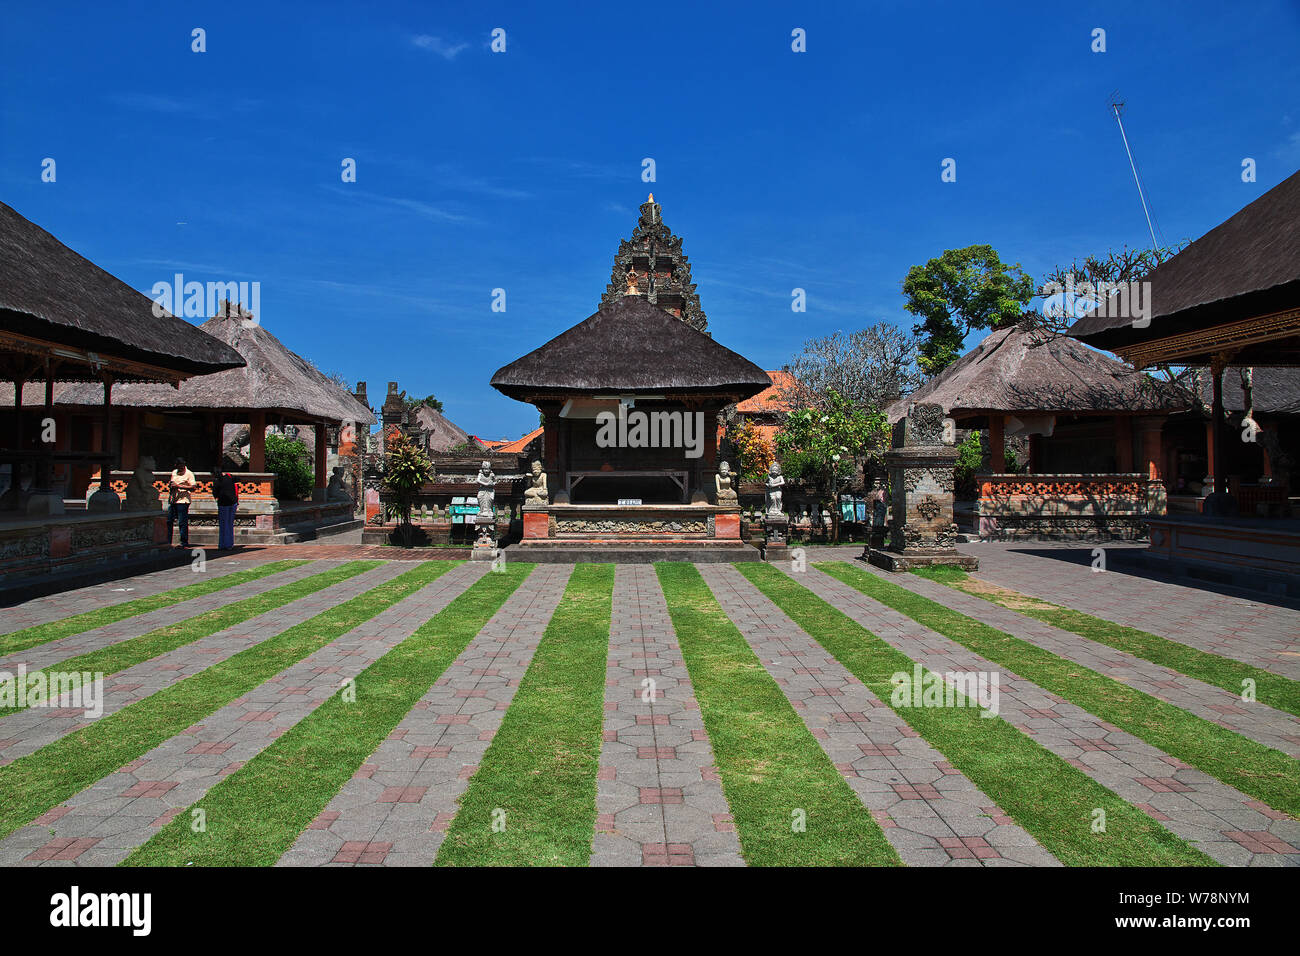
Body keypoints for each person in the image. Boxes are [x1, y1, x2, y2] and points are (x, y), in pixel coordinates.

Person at [167, 457, 197, 548]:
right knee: (169, 520)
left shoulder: (189, 474)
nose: (179, 469)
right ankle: (168, 541)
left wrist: (179, 486)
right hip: (173, 500)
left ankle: (184, 542)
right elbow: (172, 483)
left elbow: (193, 487)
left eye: (181, 467)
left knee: (182, 522)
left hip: (183, 501)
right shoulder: (174, 472)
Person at [215, 468, 239, 550]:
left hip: (223, 504)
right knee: (229, 524)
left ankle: (223, 544)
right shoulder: (230, 478)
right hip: (232, 503)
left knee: (223, 525)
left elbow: (215, 493)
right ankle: (229, 544)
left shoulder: (218, 480)